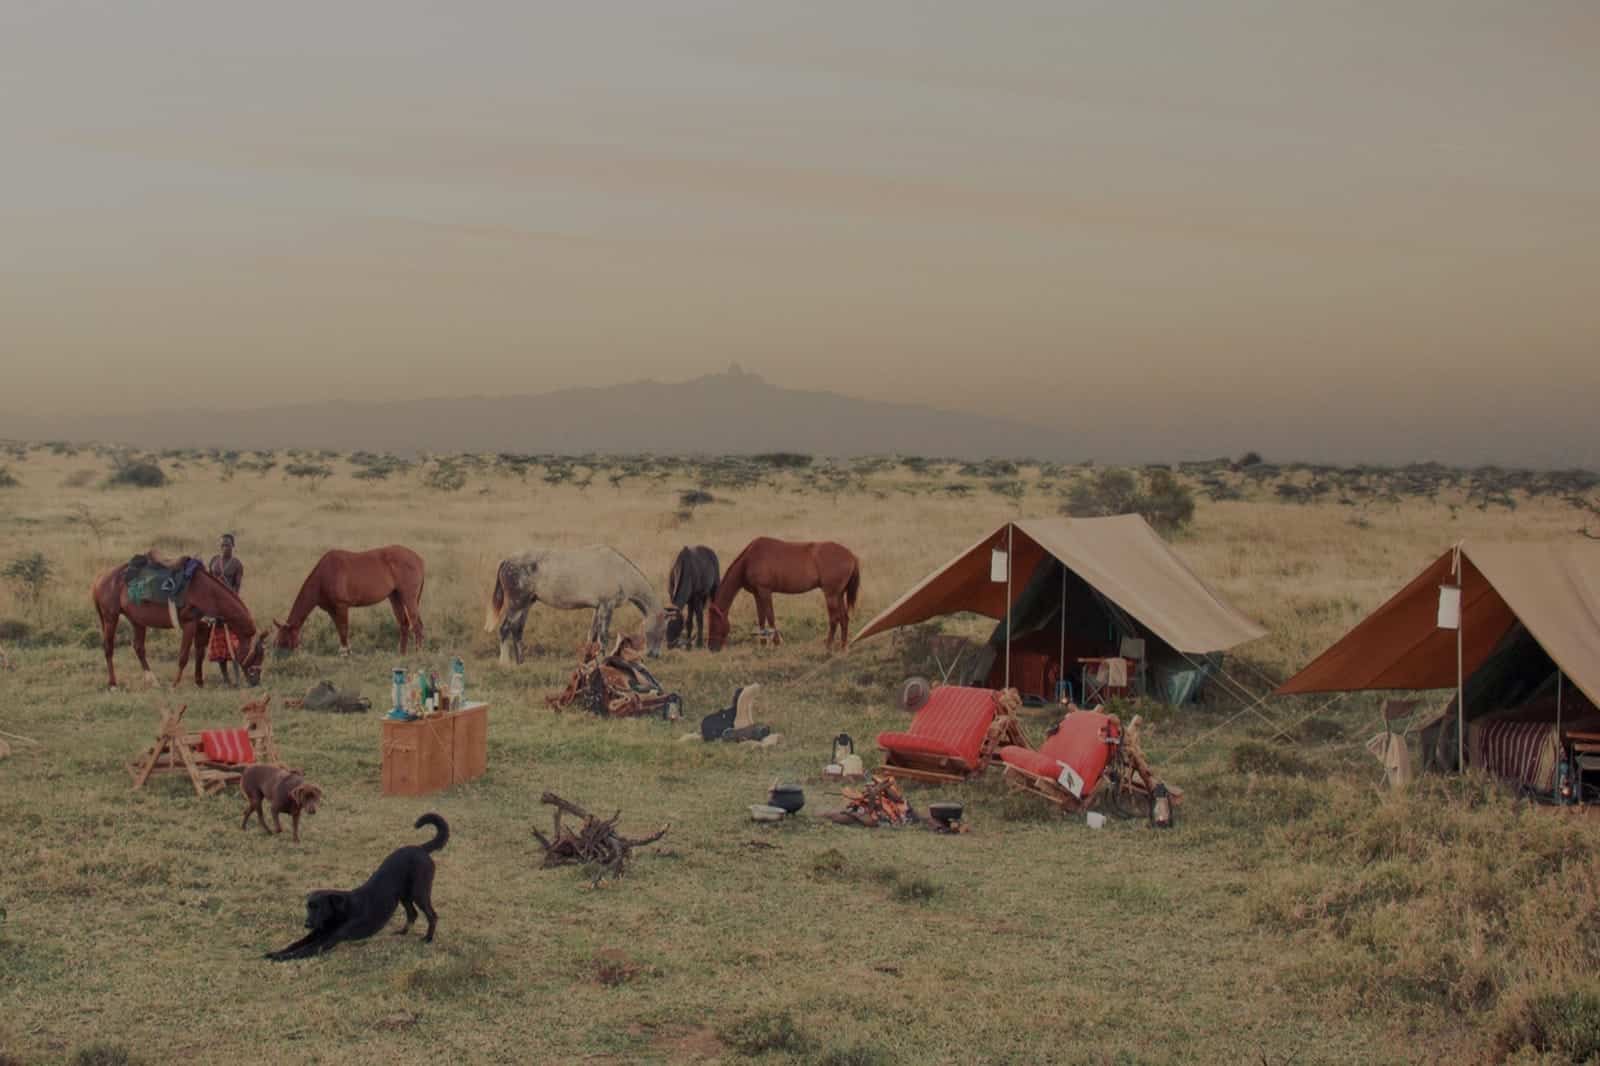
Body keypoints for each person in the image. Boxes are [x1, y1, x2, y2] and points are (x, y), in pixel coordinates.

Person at [207, 533, 245, 684]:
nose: (224, 548)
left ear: (233, 546)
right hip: (216, 609)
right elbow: (208, 584)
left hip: (230, 607)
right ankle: (226, 679)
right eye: (222, 545)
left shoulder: (237, 565)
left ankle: (237, 677)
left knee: (234, 645)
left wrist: (224, 586)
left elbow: (237, 590)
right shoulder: (214, 561)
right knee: (219, 647)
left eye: (227, 545)